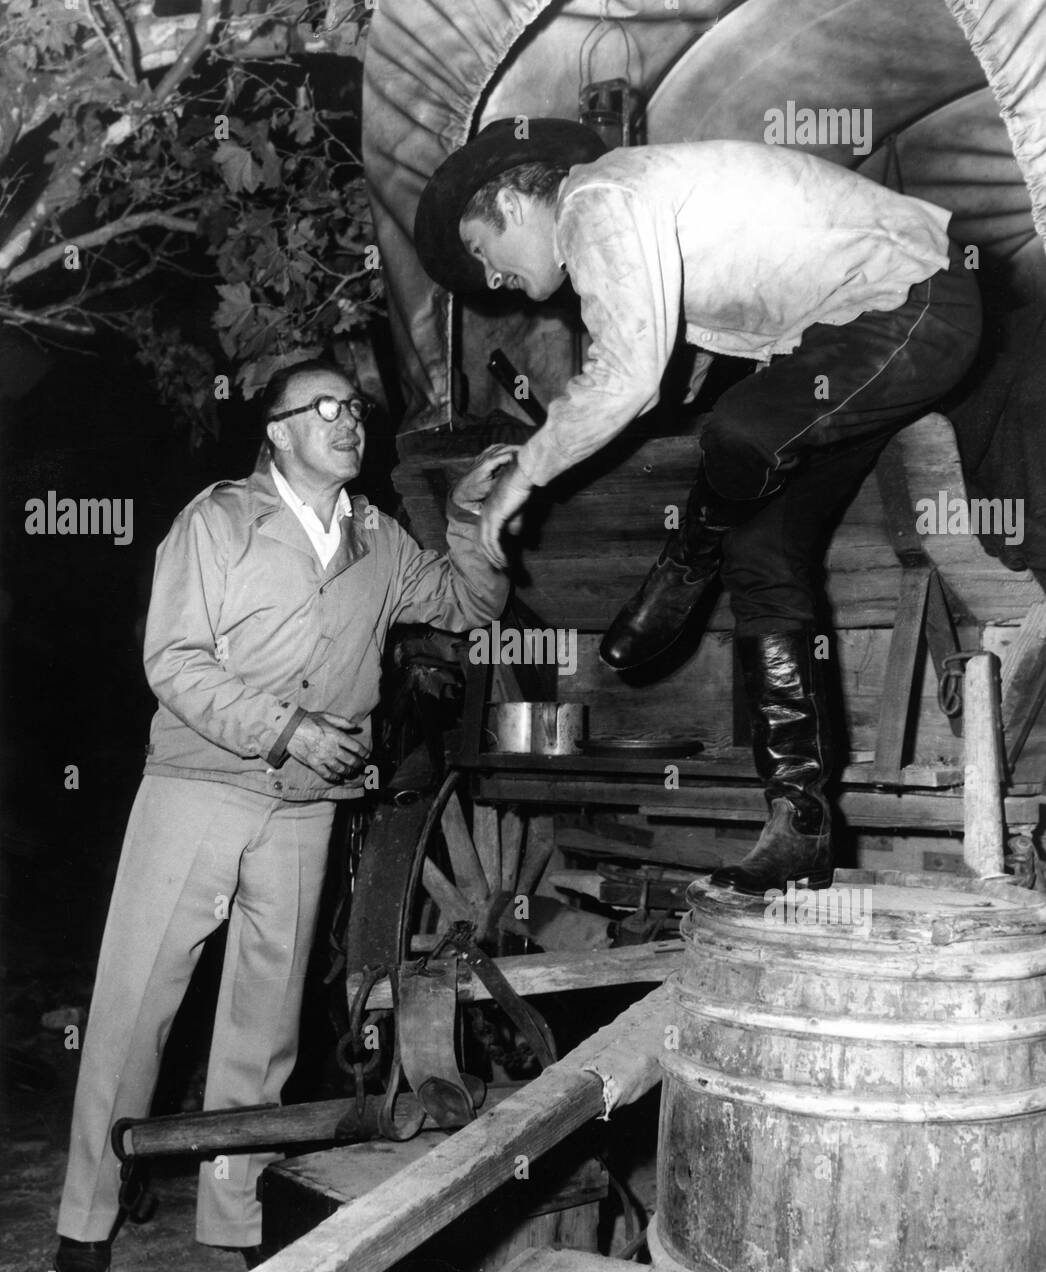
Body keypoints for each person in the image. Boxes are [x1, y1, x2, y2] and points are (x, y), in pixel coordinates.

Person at [414, 119, 982, 896]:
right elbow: (658, 370)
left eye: (481, 250)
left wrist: (526, 480)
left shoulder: (597, 196)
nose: (488, 279)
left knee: (741, 429)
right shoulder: (628, 210)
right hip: (837, 345)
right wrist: (529, 452)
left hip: (915, 301)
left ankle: (685, 561)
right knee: (762, 552)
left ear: (514, 201)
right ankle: (799, 826)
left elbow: (628, 378)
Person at [55, 358, 508, 1272]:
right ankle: (85, 1219)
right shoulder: (217, 521)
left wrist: (473, 521)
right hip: (198, 790)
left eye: (356, 409)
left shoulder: (379, 541)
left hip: (306, 811)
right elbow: (173, 662)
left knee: (263, 1029)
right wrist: (289, 728)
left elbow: (464, 607)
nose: (350, 422)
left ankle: (232, 1221)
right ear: (277, 431)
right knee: (135, 1006)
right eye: (326, 408)